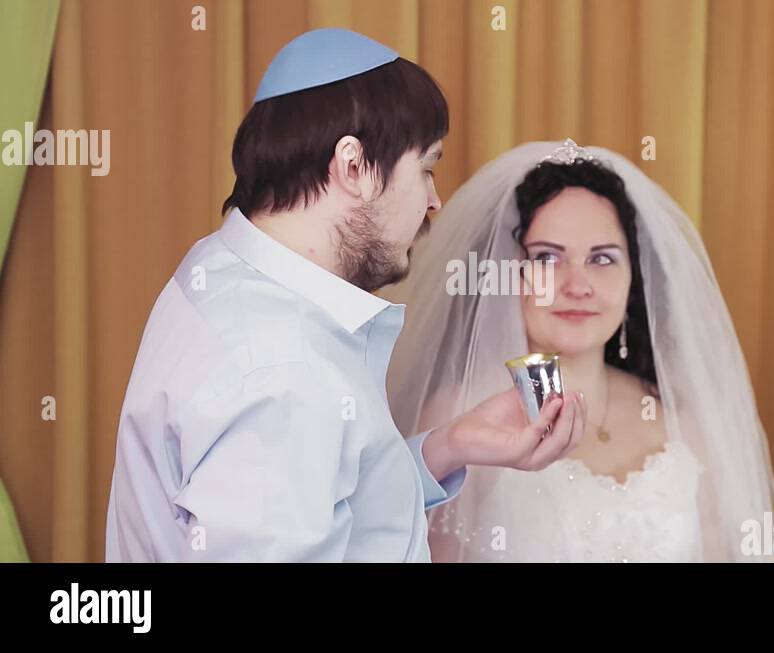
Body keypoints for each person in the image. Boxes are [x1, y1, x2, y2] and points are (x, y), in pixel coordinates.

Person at [105, 30, 585, 563]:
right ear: (353, 166)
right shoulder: (282, 374)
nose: (434, 200)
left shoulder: (223, 269)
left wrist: (449, 446)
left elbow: (329, 503)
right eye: (425, 168)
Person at [385, 140, 774, 562]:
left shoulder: (682, 422)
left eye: (602, 259)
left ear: (634, 276)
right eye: (547, 258)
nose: (578, 286)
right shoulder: (458, 421)